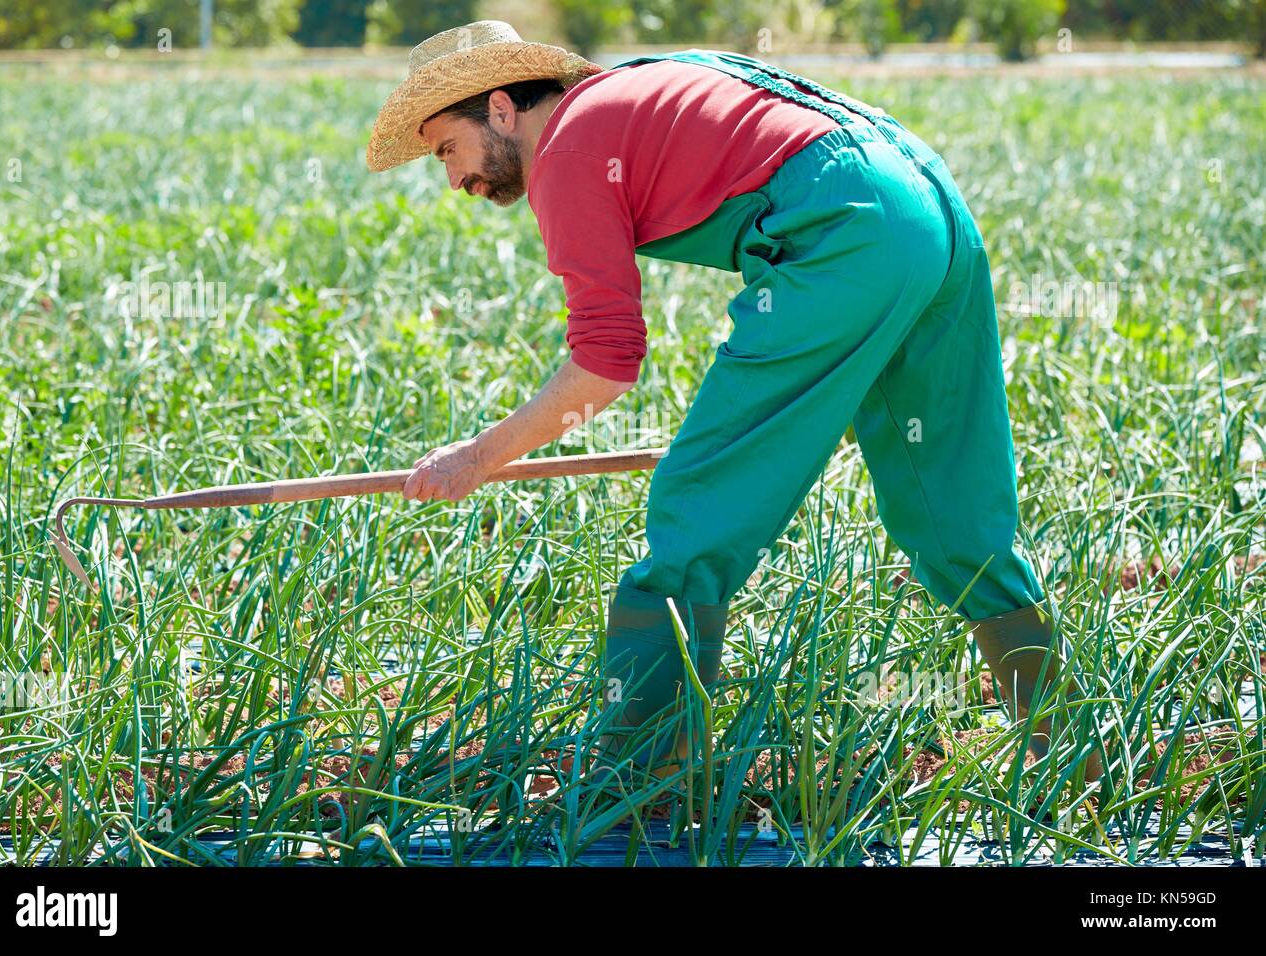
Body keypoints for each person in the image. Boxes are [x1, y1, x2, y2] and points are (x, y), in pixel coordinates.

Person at [367, 20, 1105, 783]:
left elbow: (607, 363)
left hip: (845, 233)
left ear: (498, 109)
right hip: (928, 207)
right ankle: (1078, 761)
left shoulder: (569, 151)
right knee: (951, 510)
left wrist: (476, 457)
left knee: (697, 505)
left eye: (445, 149)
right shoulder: (632, 87)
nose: (453, 180)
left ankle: (634, 790)